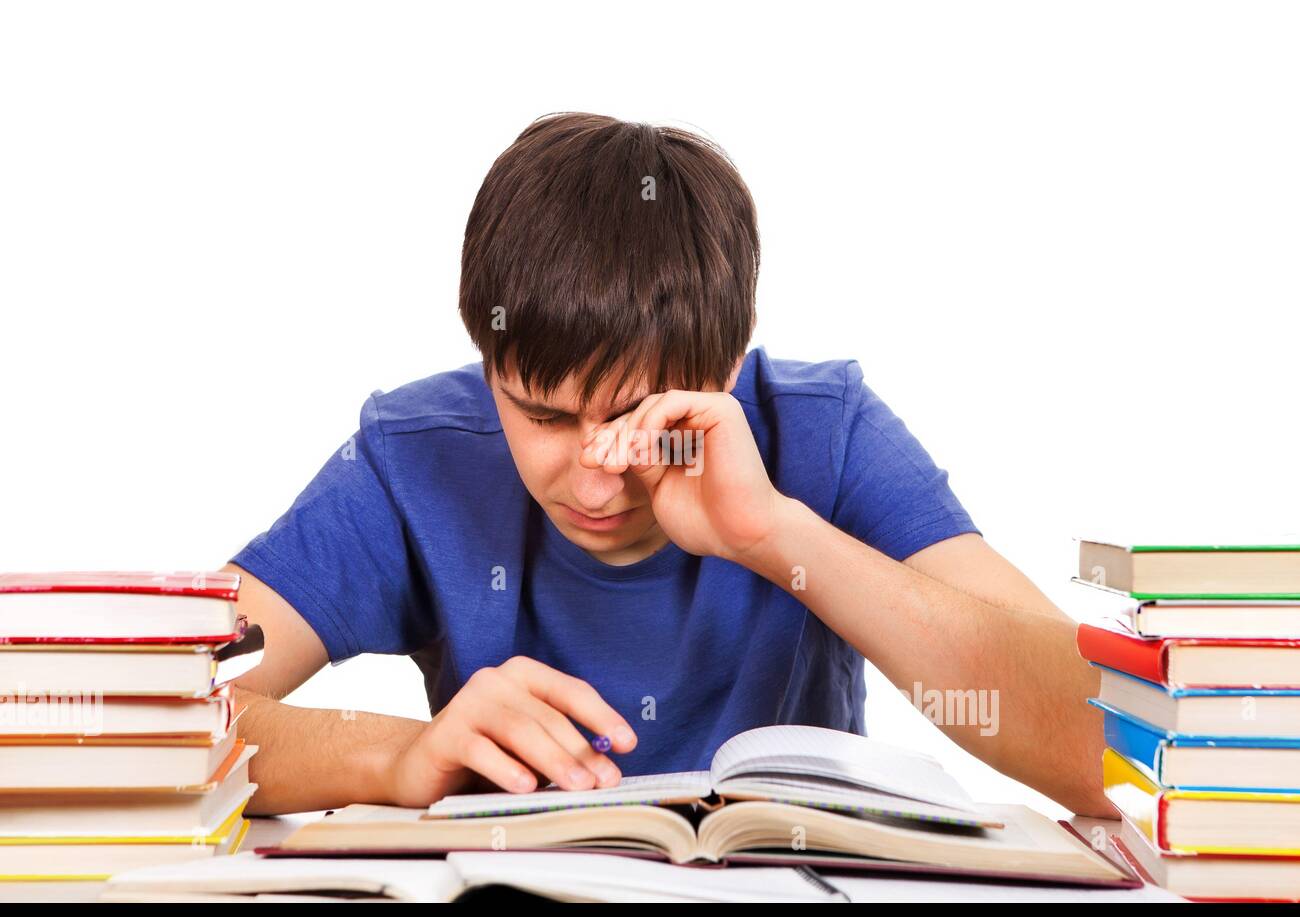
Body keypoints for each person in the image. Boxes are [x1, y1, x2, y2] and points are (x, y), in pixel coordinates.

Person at [223, 112, 1108, 816]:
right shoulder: (419, 452)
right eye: (542, 414)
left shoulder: (821, 431)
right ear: (488, 366)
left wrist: (775, 534)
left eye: (643, 420)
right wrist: (400, 756)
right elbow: (145, 712)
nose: (599, 480)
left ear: (728, 368)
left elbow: (1105, 751)